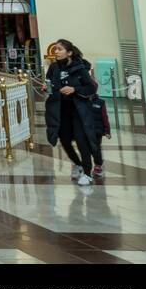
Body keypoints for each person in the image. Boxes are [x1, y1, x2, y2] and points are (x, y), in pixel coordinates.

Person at [45, 39, 105, 186]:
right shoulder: (53, 68)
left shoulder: (79, 68)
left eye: (59, 49)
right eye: (55, 49)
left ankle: (87, 172)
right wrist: (47, 88)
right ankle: (77, 164)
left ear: (69, 52)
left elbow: (91, 88)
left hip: (79, 111)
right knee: (64, 140)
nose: (56, 52)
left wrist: (74, 90)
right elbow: (50, 84)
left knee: (82, 141)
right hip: (61, 111)